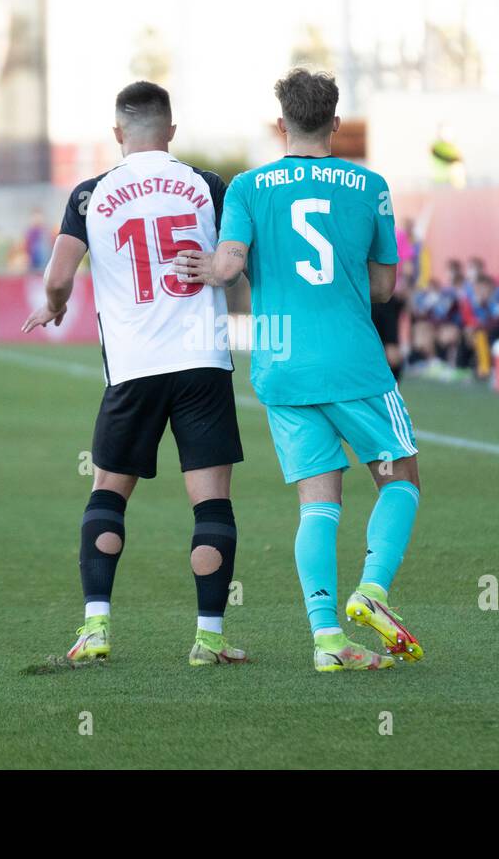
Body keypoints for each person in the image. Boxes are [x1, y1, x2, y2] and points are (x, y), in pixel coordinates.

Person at [176, 68, 422, 673]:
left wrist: (210, 266)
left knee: (318, 503)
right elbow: (386, 286)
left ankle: (328, 642)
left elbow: (229, 265)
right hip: (352, 363)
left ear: (281, 123)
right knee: (400, 478)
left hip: (281, 365)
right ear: (335, 122)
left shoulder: (248, 187)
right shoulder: (369, 184)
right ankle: (372, 590)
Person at [22, 81, 247, 667]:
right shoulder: (208, 186)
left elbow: (58, 273)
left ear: (118, 133)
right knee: (211, 503)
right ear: (171, 130)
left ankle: (96, 629)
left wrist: (54, 303)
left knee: (107, 493)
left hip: (134, 367)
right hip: (201, 361)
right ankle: (209, 638)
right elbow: (235, 268)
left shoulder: (90, 194)